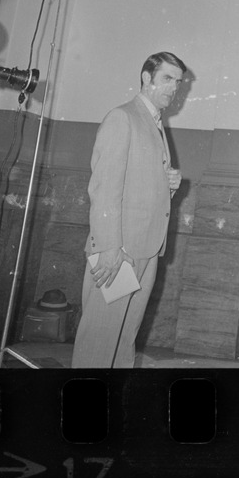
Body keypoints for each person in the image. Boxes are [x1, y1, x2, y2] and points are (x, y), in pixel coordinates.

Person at [71, 52, 186, 368]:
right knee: (100, 341)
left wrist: (168, 185)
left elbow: (138, 184)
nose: (174, 88)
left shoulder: (155, 122)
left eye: (178, 82)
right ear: (146, 78)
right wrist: (109, 248)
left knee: (124, 339)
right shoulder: (123, 117)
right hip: (119, 252)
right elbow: (104, 188)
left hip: (146, 248)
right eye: (167, 78)